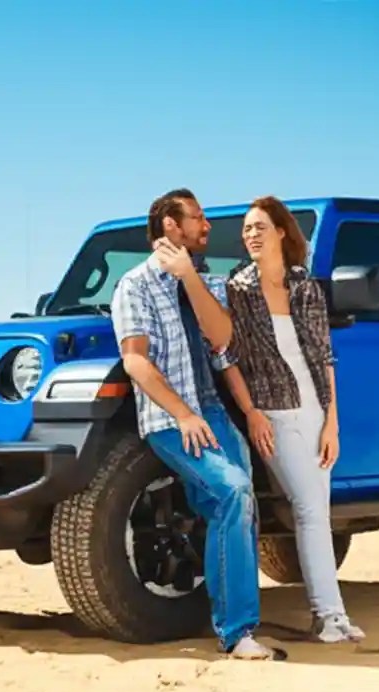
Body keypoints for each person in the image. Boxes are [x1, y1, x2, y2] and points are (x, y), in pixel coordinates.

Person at [109, 187, 283, 661]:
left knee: (238, 508)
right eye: (198, 219)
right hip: (171, 416)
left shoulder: (205, 280)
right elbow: (135, 363)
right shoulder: (134, 286)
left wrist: (188, 277)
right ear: (171, 225)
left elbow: (225, 343)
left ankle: (234, 623)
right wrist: (183, 414)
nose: (207, 227)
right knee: (233, 492)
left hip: (214, 411)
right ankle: (237, 632)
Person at [211, 195, 365, 644]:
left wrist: (332, 421)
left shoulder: (304, 286)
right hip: (274, 413)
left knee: (317, 510)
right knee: (310, 508)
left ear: (281, 231)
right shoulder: (237, 289)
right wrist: (251, 413)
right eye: (246, 229)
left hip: (315, 411)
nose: (251, 234)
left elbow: (323, 355)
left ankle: (331, 616)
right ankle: (329, 615)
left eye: (259, 226)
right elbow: (228, 357)